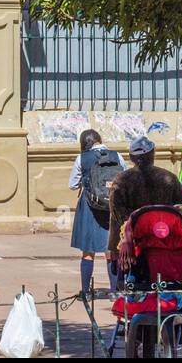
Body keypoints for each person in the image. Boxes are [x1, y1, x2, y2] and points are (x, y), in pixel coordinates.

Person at [106, 135, 182, 259]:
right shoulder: (169, 178)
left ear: (131, 157)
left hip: (127, 244)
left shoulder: (121, 181)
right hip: (162, 239)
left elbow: (118, 213)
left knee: (119, 274)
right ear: (152, 154)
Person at [69, 128, 125, 299]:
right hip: (111, 208)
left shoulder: (82, 158)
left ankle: (86, 292)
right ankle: (115, 292)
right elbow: (125, 176)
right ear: (100, 140)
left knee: (88, 251)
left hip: (89, 207)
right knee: (111, 251)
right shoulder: (117, 156)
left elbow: (73, 184)